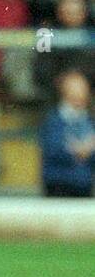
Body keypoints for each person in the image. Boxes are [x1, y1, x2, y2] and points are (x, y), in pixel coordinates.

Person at [39, 70, 95, 198]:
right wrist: (80, 150)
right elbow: (53, 149)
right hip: (58, 185)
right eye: (76, 88)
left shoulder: (89, 120)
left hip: (83, 185)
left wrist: (87, 151)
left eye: (82, 88)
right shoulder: (53, 120)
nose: (81, 93)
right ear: (65, 91)